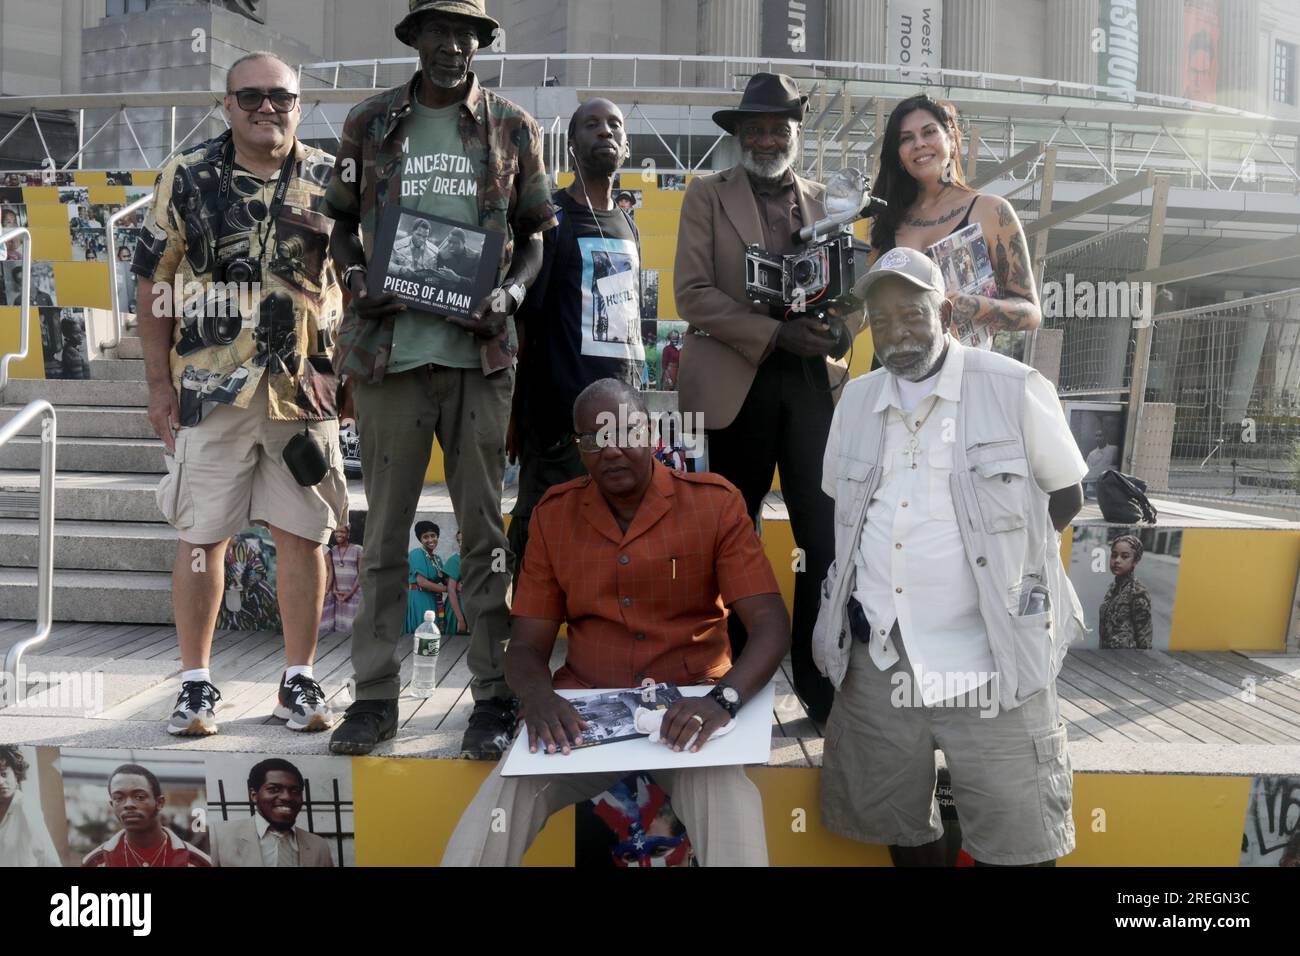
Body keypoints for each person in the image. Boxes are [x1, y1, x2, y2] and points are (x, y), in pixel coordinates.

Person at [323, 0, 556, 759]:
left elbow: (533, 238)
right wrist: (357, 279)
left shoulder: (514, 126)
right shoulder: (371, 122)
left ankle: (492, 695)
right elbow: (338, 224)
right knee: (384, 534)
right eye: (437, 31)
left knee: (485, 536)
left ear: (480, 41)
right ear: (414, 38)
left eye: (465, 33)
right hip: (391, 354)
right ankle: (374, 697)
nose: (451, 45)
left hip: (479, 358)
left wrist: (511, 295)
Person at [441, 379, 789, 866]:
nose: (611, 451)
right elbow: (524, 647)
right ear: (580, 448)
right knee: (501, 798)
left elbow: (770, 622)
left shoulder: (713, 503)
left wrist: (722, 701)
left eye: (623, 431)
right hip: (586, 712)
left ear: (649, 431)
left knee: (731, 805)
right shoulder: (553, 516)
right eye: (593, 439)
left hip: (690, 707)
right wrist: (539, 699)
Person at [815, 247, 1088, 867]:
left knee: (1022, 840)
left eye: (910, 314)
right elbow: (851, 515)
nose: (895, 333)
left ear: (944, 311)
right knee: (901, 826)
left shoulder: (1014, 387)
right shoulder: (855, 403)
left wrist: (1009, 570)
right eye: (880, 322)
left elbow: (1067, 494)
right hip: (883, 656)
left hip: (993, 653)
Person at [132, 51, 346, 737]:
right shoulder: (186, 176)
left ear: (299, 104)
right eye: (249, 95)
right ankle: (195, 686)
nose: (266, 107)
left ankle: (298, 680)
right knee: (202, 536)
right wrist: (158, 386)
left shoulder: (332, 178)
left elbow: (358, 280)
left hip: (302, 391)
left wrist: (348, 373)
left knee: (304, 536)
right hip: (208, 388)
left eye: (280, 97)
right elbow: (151, 281)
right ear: (225, 104)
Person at [673, 71, 866, 724]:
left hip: (812, 382)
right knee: (732, 535)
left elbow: (854, 293)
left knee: (821, 537)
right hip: (738, 380)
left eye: (777, 127)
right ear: (739, 135)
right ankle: (731, 675)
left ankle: (817, 679)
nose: (766, 137)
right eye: (754, 127)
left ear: (794, 133)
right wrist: (774, 334)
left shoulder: (826, 198)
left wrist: (841, 327)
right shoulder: (706, 196)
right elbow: (692, 295)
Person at [509, 97, 641, 591]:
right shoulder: (556, 218)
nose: (604, 131)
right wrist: (518, 412)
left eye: (614, 124)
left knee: (610, 545)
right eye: (591, 124)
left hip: (619, 422)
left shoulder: (628, 223)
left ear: (625, 145)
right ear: (572, 144)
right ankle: (522, 656)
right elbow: (528, 322)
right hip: (559, 424)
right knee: (541, 543)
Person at [867, 93, 1041, 340]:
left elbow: (1031, 313)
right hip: (894, 366)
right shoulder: (884, 221)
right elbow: (866, 310)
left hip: (962, 370)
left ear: (952, 139)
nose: (919, 144)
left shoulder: (991, 211)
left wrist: (969, 305)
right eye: (906, 139)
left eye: (929, 132)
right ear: (898, 155)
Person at [208, 758, 334, 867]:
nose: (286, 797)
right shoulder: (219, 837)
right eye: (274, 789)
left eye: (294, 791)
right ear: (254, 795)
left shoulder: (318, 846)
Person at [82, 764, 211, 867]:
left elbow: (199, 830)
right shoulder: (95, 862)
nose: (128, 804)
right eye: (119, 798)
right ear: (112, 805)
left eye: (139, 797)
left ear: (159, 803)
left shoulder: (197, 862)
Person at [0, 746, 60, 866]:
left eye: (4, 774)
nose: (0, 781)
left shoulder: (25, 805)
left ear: (16, 774)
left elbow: (47, 856)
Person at [1099, 534, 1153, 649]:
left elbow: (1145, 641)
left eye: (1124, 556)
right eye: (1114, 555)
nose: (1117, 560)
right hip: (1106, 659)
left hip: (1127, 660)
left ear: (1135, 561)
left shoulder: (1138, 593)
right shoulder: (1113, 589)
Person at [405, 520, 448, 634]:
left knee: (432, 631)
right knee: (423, 631)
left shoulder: (436, 558)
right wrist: (448, 589)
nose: (430, 540)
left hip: (432, 598)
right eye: (425, 537)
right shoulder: (417, 554)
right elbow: (422, 582)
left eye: (433, 535)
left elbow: (445, 579)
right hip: (419, 598)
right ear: (421, 539)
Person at [320, 524, 363, 635]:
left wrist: (350, 593)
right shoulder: (333, 550)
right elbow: (331, 572)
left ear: (348, 534)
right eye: (337, 532)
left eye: (342, 532)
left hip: (354, 595)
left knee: (353, 628)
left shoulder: (358, 549)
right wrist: (334, 590)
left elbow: (361, 573)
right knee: (340, 629)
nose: (339, 534)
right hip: (339, 596)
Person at [443, 529, 465, 637]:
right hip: (458, 607)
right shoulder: (455, 560)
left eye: (464, 540)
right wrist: (460, 620)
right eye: (459, 540)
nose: (461, 543)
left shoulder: (477, 559)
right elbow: (451, 590)